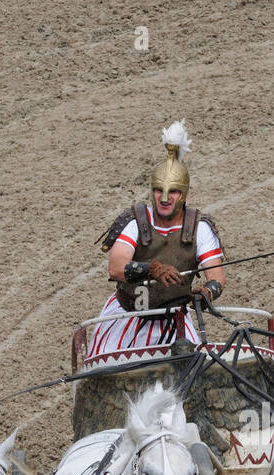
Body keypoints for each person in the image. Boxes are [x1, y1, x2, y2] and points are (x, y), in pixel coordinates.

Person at [84, 121, 227, 362]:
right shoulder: (136, 222)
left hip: (175, 321)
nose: (164, 197)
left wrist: (207, 293)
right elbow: (116, 267)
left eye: (172, 192)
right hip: (128, 317)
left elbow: (217, 276)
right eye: (159, 190)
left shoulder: (199, 228)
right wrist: (152, 268)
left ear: (182, 195)